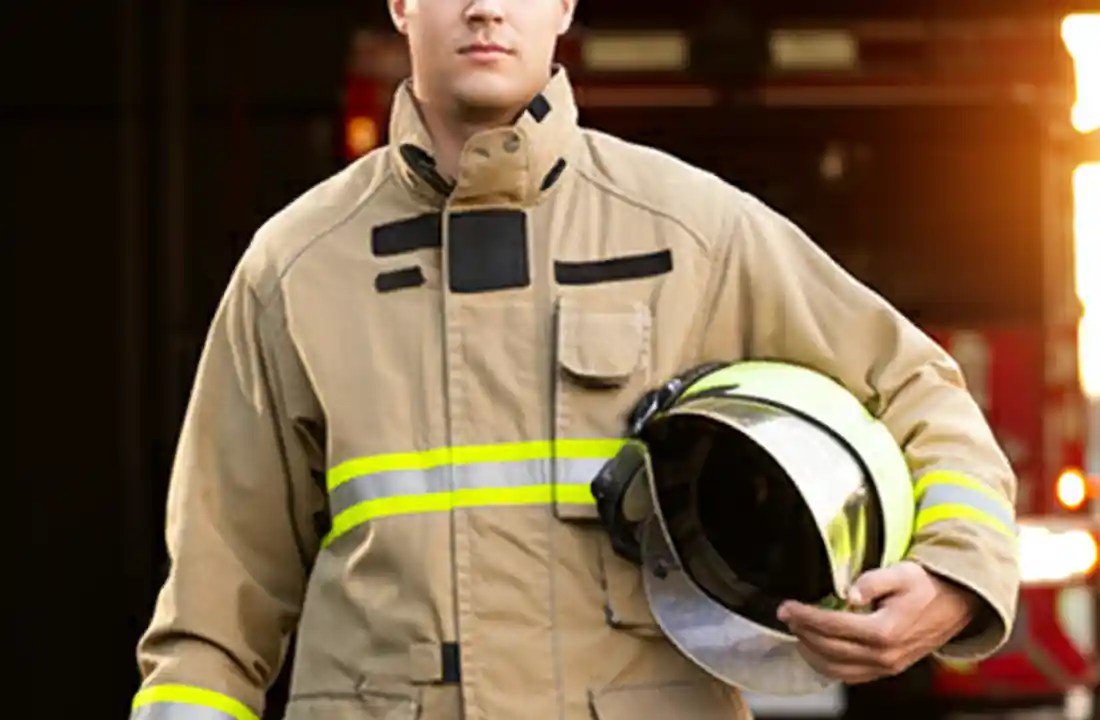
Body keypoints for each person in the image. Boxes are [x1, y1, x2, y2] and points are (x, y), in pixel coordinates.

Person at [130, 1, 1020, 719]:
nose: (484, 10)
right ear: (400, 5)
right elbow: (215, 606)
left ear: (563, 7)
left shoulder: (690, 231)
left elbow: (915, 385)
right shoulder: (295, 268)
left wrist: (953, 573)